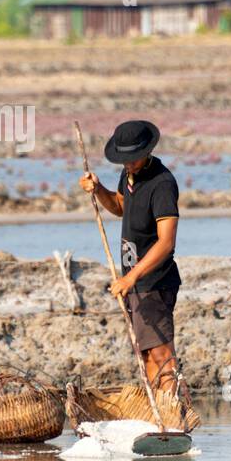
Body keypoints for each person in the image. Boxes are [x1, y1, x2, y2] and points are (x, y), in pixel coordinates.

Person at [79, 119, 183, 394]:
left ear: (146, 152)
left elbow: (166, 242)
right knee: (146, 353)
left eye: (133, 159)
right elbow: (120, 207)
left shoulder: (162, 184)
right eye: (124, 159)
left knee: (161, 354)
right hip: (134, 283)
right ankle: (156, 411)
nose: (128, 164)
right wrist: (99, 190)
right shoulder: (129, 175)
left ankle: (170, 414)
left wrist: (132, 276)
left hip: (154, 282)